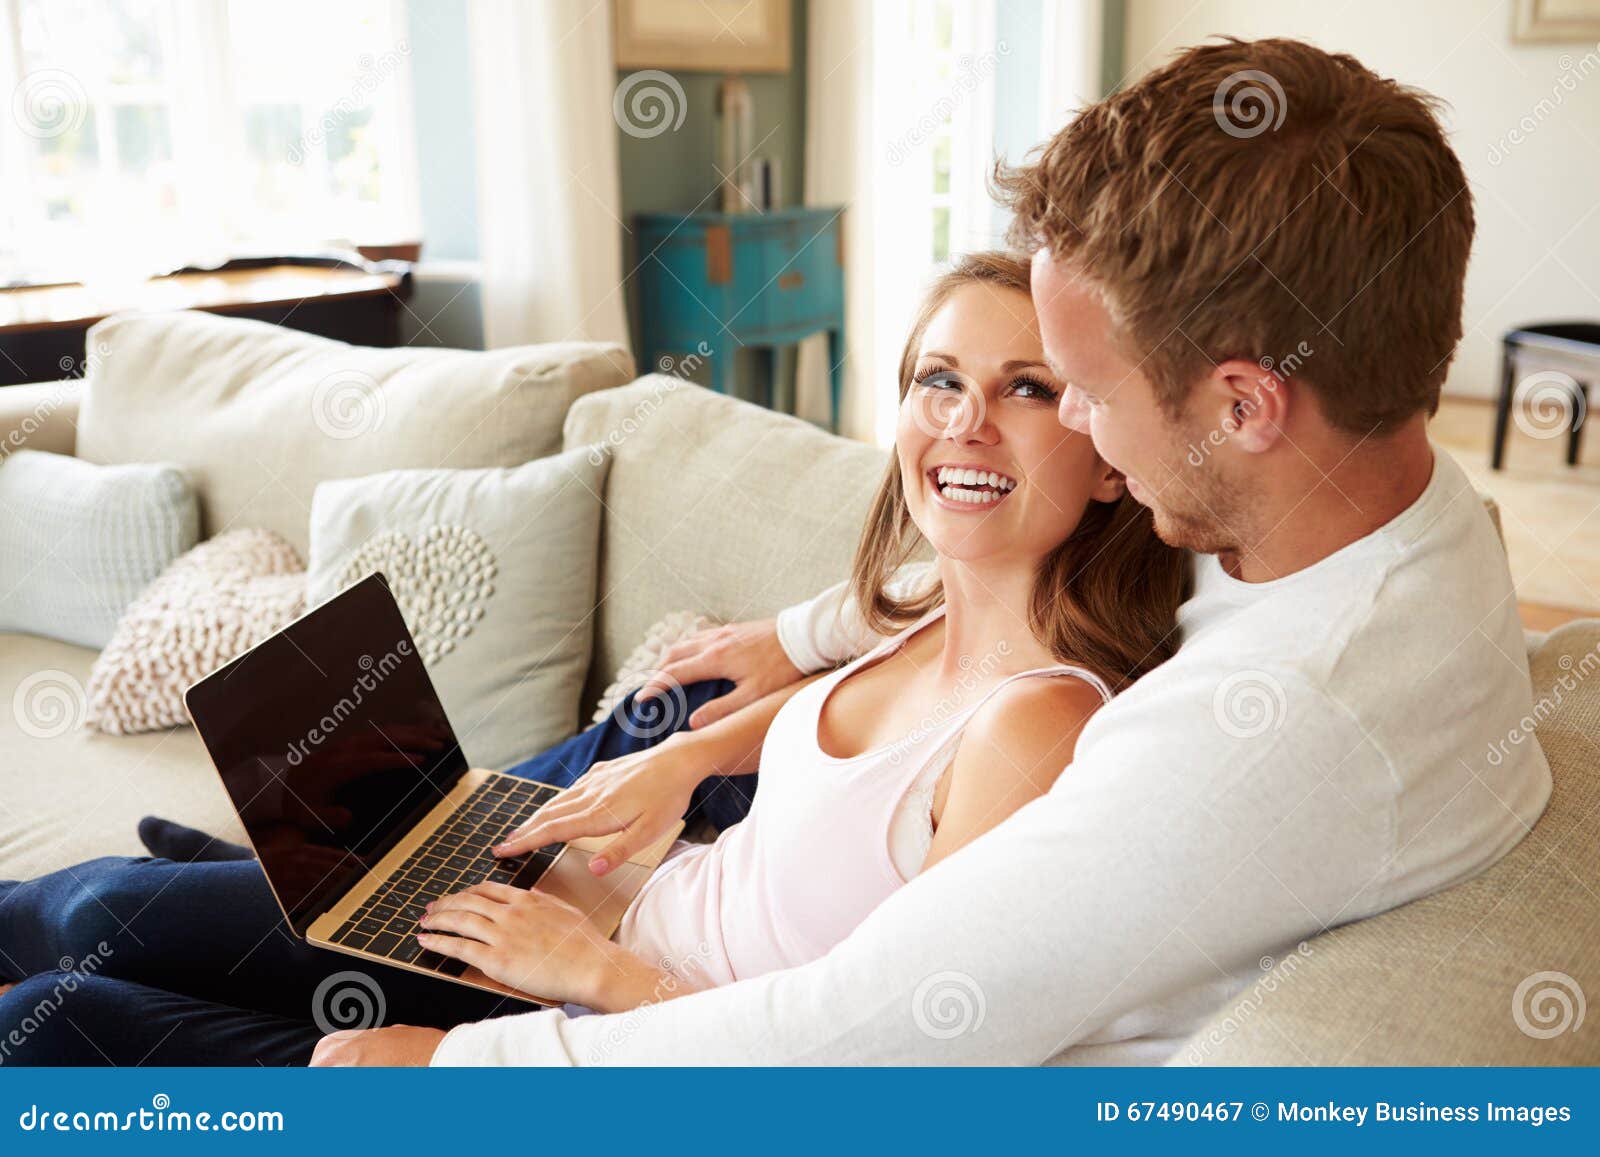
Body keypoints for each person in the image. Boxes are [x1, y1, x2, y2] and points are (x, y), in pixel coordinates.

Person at [314, 36, 1551, 1066]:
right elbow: (971, 582)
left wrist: (453, 1067)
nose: (1079, 437)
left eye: (1077, 389)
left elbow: (865, 1031)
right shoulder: (1359, 507)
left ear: (1242, 404)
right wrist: (787, 649)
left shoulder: (1252, 739)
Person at [0, 252, 1188, 1064]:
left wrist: (590, 974)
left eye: (1025, 388)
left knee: (74, 996)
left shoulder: (1034, 726)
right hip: (572, 923)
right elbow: (814, 714)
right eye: (938, 379)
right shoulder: (935, 609)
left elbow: (890, 1062)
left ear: (1103, 446)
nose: (965, 419)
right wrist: (678, 765)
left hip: (594, 1023)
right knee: (98, 916)